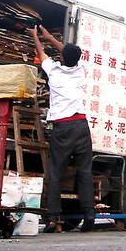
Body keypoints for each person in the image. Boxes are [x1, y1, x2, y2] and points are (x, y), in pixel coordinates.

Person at [30, 25, 96, 232]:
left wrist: (37, 37)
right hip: (81, 126)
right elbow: (67, 52)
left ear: (62, 56)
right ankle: (90, 215)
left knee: (56, 173)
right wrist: (49, 35)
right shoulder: (81, 70)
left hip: (62, 128)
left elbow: (40, 52)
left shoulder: (53, 70)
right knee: (85, 172)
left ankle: (52, 219)